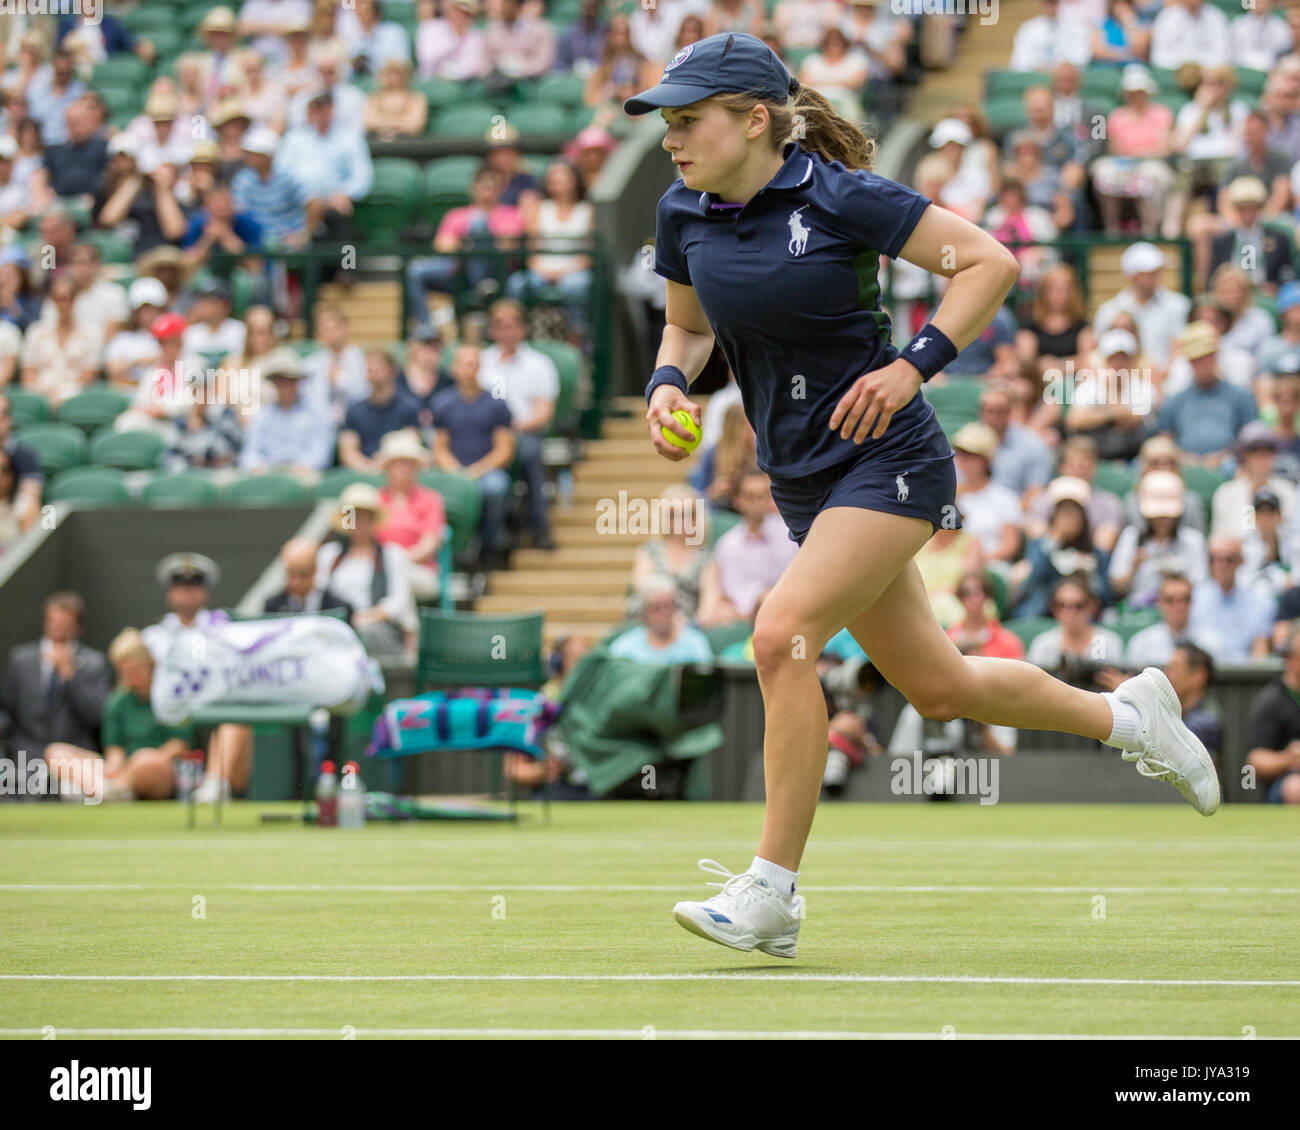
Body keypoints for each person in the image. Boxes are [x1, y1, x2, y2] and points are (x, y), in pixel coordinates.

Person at [627, 33, 1221, 960]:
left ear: (753, 119)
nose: (672, 137)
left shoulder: (840, 194)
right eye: (665, 122)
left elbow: (988, 262)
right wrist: (668, 385)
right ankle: (1128, 715)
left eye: (688, 118)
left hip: (889, 460)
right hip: (800, 481)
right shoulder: (681, 212)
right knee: (942, 688)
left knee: (780, 633)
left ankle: (773, 892)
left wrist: (913, 368)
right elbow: (686, 327)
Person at [0, 592, 112, 785]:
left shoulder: (94, 663)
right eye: (54, 622)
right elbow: (7, 708)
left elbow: (99, 716)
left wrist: (72, 678)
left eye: (66, 625)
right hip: (26, 756)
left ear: (78, 627)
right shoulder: (21, 660)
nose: (59, 630)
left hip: (75, 755)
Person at [478, 298, 559, 549]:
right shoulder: (480, 362)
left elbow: (544, 413)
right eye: (501, 325)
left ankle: (540, 527)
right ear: (492, 330)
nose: (507, 330)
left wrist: (511, 429)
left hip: (522, 432)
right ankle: (489, 537)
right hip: (483, 434)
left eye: (512, 325)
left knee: (530, 453)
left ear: (524, 328)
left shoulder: (539, 364)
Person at [430, 342, 515, 569]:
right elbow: (439, 448)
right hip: (452, 472)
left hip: (486, 471)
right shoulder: (442, 403)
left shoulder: (496, 404)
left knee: (494, 488)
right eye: (463, 364)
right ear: (454, 368)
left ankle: (490, 547)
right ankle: (453, 553)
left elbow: (504, 449)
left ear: (479, 368)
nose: (468, 369)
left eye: (472, 364)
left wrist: (477, 470)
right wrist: (457, 472)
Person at [317, 484, 418, 661]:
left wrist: (363, 618)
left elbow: (397, 603)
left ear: (373, 520)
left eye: (365, 517)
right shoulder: (329, 555)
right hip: (336, 629)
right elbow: (319, 593)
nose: (359, 522)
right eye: (353, 516)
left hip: (378, 632)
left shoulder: (393, 555)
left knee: (366, 632)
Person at [96, 629, 197, 801]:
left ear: (151, 665)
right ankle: (113, 789)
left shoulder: (171, 696)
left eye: (135, 670)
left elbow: (179, 744)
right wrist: (115, 767)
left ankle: (110, 789)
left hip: (164, 769)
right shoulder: (118, 701)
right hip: (125, 769)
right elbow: (115, 749)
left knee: (145, 761)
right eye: (125, 671)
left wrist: (144, 762)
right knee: (59, 753)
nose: (131, 677)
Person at [1109, 470, 1209, 607]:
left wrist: (1175, 576)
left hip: (1180, 609)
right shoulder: (1131, 536)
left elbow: (1201, 587)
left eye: (1167, 515)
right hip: (1138, 610)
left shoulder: (1193, 540)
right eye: (1158, 516)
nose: (1163, 520)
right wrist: (1134, 566)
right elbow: (1117, 588)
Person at [712, 468, 799, 620]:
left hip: (790, 609)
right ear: (738, 500)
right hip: (749, 617)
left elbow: (797, 578)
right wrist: (760, 597)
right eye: (750, 497)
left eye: (762, 496)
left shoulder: (790, 535)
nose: (757, 502)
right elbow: (734, 590)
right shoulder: (727, 544)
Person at [375, 429, 447, 603]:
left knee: (397, 580)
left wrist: (396, 562)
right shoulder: (373, 499)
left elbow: (429, 544)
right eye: (397, 463)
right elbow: (353, 533)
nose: (403, 468)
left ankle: (407, 629)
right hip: (377, 569)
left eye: (408, 463)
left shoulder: (431, 500)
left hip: (417, 569)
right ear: (387, 467)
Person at [239, 347, 334, 478]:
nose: (285, 386)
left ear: (298, 382)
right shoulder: (263, 414)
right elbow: (250, 452)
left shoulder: (317, 411)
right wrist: (256, 467)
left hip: (305, 474)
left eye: (289, 381)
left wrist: (304, 467)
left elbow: (321, 452)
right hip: (268, 474)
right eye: (280, 381)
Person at [1188, 533, 1276, 662]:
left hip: (1243, 676)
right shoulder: (1193, 598)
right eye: (1214, 559)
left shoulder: (1260, 603)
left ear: (1241, 561)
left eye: (1229, 559)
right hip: (1200, 672)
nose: (1221, 565)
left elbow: (1260, 654)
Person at [339, 349, 424, 470]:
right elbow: (348, 452)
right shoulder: (354, 410)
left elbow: (411, 447)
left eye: (378, 365)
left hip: (397, 471)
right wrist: (368, 468)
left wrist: (384, 465)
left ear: (393, 371)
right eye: (368, 367)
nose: (372, 370)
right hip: (364, 472)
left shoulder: (409, 408)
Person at [1125, 572, 1228, 668]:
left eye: (1185, 599)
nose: (1179, 606)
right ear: (1160, 603)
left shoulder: (1211, 643)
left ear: (1192, 602)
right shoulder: (1141, 643)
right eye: (1170, 600)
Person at [609, 575, 713, 665]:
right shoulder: (625, 648)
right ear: (645, 613)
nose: (665, 613)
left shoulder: (694, 643)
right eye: (658, 607)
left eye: (669, 606)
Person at [265, 536, 353, 616]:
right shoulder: (273, 607)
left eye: (302, 574)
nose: (295, 582)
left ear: (315, 569)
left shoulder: (338, 608)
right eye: (290, 574)